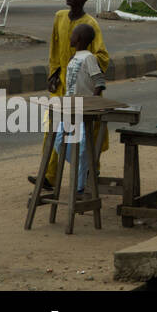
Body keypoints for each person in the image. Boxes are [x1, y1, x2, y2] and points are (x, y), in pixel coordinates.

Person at [37, 0, 109, 188]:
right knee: (52, 129)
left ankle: (89, 173)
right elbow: (54, 48)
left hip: (84, 90)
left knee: (86, 135)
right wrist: (54, 74)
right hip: (61, 86)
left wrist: (86, 66)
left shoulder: (90, 24)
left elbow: (102, 56)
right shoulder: (59, 17)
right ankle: (49, 176)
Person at [53, 22, 107, 194]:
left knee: (82, 145)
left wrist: (91, 102)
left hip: (83, 111)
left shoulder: (89, 58)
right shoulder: (73, 58)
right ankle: (83, 168)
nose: (70, 37)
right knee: (59, 140)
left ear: (80, 39)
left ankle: (80, 185)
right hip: (69, 109)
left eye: (73, 34)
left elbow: (99, 82)